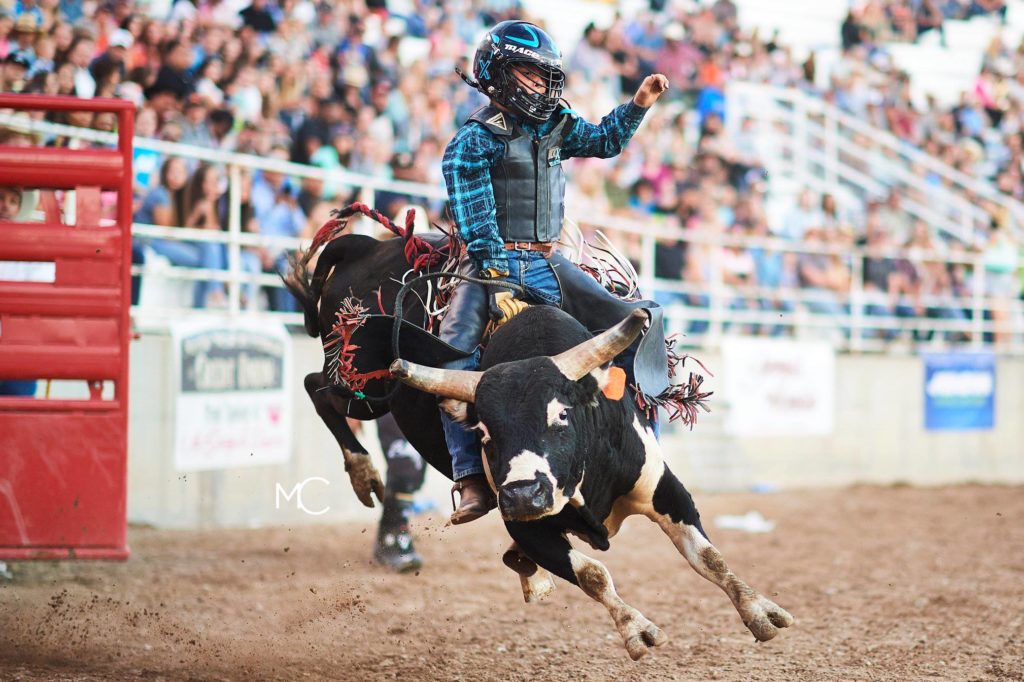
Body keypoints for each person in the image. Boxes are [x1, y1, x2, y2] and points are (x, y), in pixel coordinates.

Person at [439, 20, 669, 525]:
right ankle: (471, 480)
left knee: (638, 320)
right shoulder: (472, 141)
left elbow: (605, 142)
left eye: (546, 78)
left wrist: (638, 105)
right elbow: (477, 222)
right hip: (486, 265)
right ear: (497, 73)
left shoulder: (556, 126)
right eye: (528, 73)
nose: (541, 86)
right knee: (450, 362)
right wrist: (496, 279)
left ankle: (638, 436)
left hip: (548, 260)